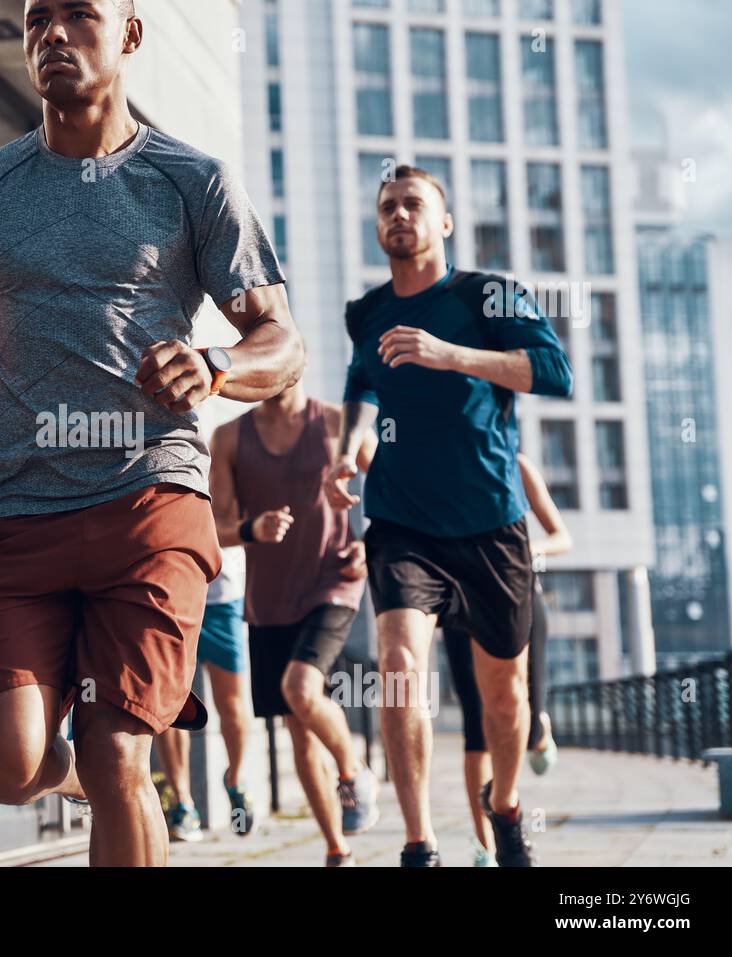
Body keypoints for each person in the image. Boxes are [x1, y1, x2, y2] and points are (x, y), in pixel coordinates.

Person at [0, 0, 304, 866]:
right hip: (20, 511)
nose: (53, 35)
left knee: (120, 748)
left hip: (151, 502)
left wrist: (214, 367)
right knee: (5, 763)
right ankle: (85, 776)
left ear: (128, 35)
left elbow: (283, 342)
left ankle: (110, 770)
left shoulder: (193, 180)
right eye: (36, 19)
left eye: (79, 16)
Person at [326, 164, 572, 867]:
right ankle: (419, 842)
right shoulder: (366, 312)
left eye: (414, 204)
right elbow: (360, 380)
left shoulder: (487, 296)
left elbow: (554, 372)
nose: (399, 214)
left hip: (492, 520)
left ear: (445, 222)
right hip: (403, 521)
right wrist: (347, 453)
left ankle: (506, 806)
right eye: (387, 206)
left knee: (505, 699)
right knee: (400, 665)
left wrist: (450, 355)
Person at [210, 380, 381, 866]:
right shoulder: (228, 438)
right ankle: (337, 848)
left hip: (333, 584)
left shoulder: (336, 425)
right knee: (298, 727)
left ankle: (353, 770)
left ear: (296, 363)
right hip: (268, 601)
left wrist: (371, 545)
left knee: (301, 689)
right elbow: (215, 527)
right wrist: (249, 529)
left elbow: (396, 490)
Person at [444, 451, 568, 866]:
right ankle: (487, 844)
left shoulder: (515, 464)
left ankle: (539, 730)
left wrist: (523, 549)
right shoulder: (437, 463)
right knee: (475, 726)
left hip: (519, 599)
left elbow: (561, 535)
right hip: (462, 603)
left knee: (523, 717)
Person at [154, 545, 255, 842]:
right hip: (173, 594)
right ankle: (184, 803)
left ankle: (235, 780)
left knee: (232, 707)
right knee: (171, 704)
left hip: (222, 598)